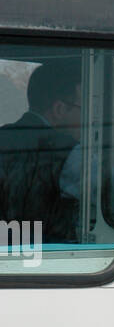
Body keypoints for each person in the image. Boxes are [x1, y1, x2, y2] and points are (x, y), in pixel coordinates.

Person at [0, 60, 82, 241]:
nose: (87, 118)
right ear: (59, 109)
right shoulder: (69, 153)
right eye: (82, 108)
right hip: (49, 259)